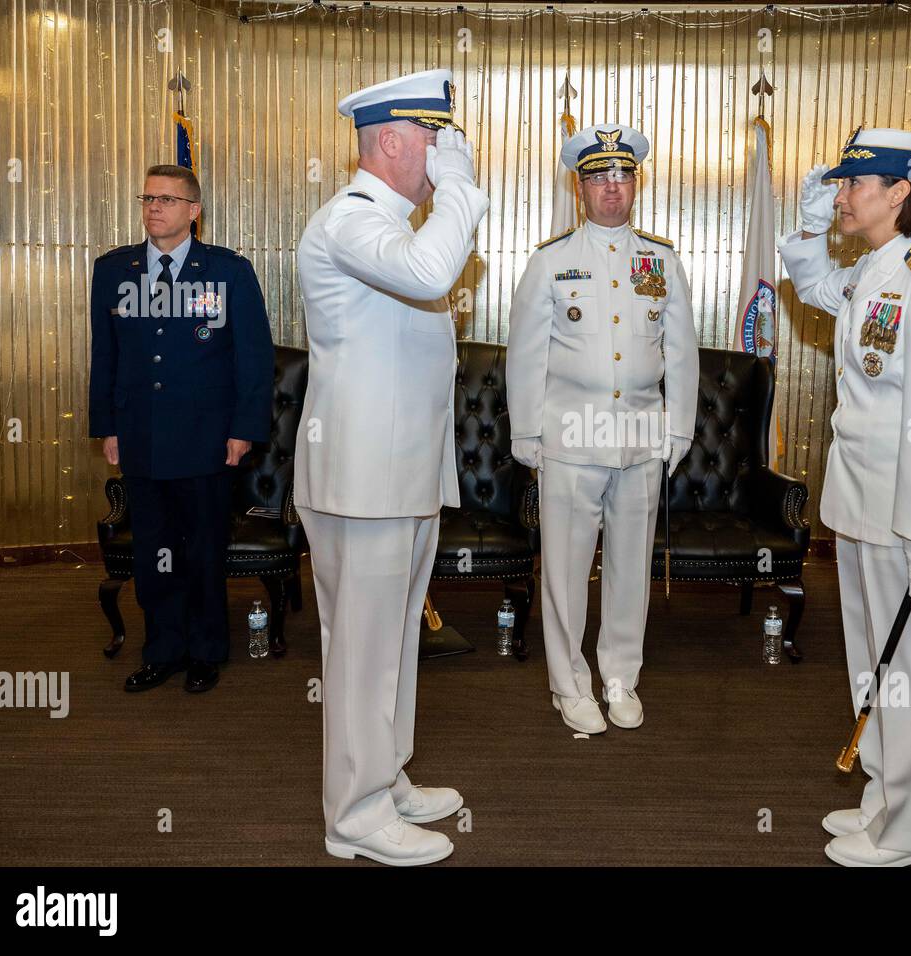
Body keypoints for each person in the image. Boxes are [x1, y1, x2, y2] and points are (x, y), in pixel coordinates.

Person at [294, 68, 489, 867]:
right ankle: (356, 815)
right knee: (361, 649)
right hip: (361, 478)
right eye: (435, 139)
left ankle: (387, 774)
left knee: (394, 639)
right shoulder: (351, 220)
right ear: (395, 142)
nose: (444, 152)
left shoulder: (393, 225)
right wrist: (463, 191)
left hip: (398, 476)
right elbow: (431, 275)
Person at [778, 127, 911, 867]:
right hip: (863, 503)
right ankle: (886, 798)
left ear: (899, 191)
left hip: (908, 512)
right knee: (873, 660)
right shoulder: (874, 270)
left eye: (853, 184)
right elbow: (810, 287)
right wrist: (806, 227)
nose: (842, 196)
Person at [506, 124, 700, 735]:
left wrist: (680, 432)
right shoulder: (551, 261)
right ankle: (569, 684)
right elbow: (526, 354)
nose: (611, 188)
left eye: (622, 175)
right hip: (569, 440)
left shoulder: (661, 260)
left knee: (629, 568)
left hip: (641, 439)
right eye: (598, 177)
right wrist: (526, 435)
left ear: (636, 183)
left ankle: (620, 675)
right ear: (580, 186)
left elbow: (683, 352)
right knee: (564, 568)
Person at [89, 164, 274, 694]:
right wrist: (108, 424)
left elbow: (253, 360)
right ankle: (162, 650)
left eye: (168, 199)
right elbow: (106, 354)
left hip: (207, 439)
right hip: (141, 436)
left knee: (202, 550)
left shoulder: (229, 272)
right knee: (155, 552)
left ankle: (206, 651)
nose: (154, 207)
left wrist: (244, 429)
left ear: (194, 211)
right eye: (147, 196)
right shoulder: (112, 270)